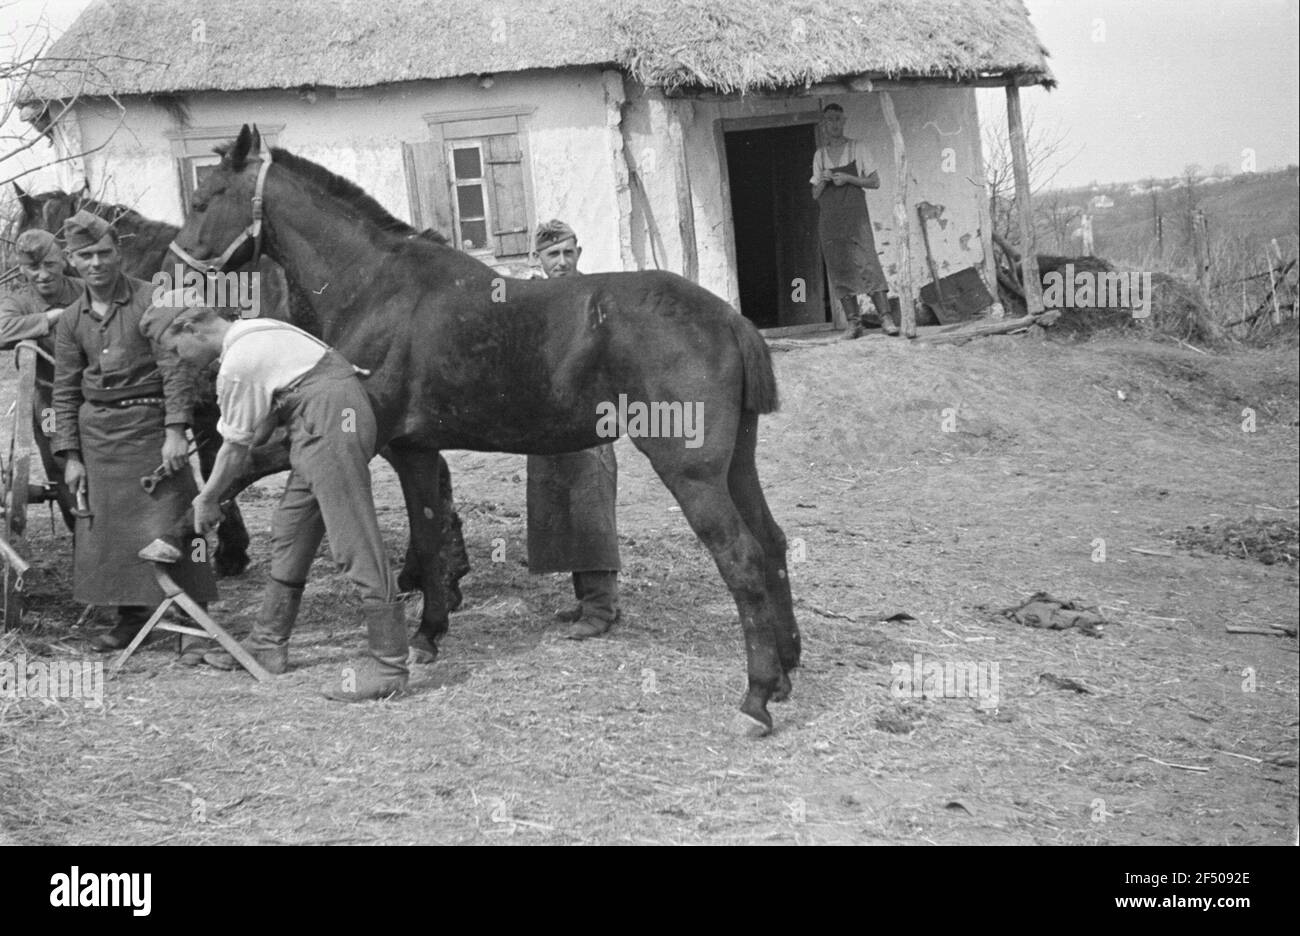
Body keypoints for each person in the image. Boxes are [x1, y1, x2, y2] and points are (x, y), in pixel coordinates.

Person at [156, 307, 408, 701]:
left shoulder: (238, 360)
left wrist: (207, 499)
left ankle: (389, 664)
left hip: (329, 419)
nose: (178, 360)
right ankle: (267, 643)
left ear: (191, 328)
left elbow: (235, 450)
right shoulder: (256, 331)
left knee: (353, 537)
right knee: (292, 527)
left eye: (175, 349)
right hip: (323, 417)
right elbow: (263, 419)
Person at [50, 211, 218, 660]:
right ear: (72, 261)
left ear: (119, 253)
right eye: (85, 256)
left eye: (104, 253)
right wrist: (70, 456)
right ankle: (131, 616)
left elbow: (176, 368)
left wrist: (176, 430)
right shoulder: (70, 319)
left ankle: (194, 620)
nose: (96, 263)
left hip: (151, 429)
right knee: (111, 530)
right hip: (99, 440)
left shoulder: (153, 300)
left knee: (181, 522)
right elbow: (64, 390)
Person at [527, 220, 622, 638]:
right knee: (560, 508)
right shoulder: (531, 300)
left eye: (568, 253)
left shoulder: (596, 299)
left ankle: (602, 609)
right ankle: (586, 600)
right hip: (546, 421)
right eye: (553, 255)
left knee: (591, 509)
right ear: (539, 260)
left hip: (589, 422)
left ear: (579, 253)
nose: (562, 262)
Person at [0, 229, 81, 526]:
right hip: (48, 403)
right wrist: (51, 317)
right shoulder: (18, 302)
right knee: (59, 460)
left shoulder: (85, 290)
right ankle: (81, 537)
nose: (43, 275)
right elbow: (1, 330)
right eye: (33, 268)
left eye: (49, 264)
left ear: (62, 260)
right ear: (22, 269)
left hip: (93, 396)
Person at [811, 102, 899, 339]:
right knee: (839, 267)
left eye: (838, 119)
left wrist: (849, 178)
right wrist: (824, 179)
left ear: (844, 121)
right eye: (829, 119)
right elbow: (814, 194)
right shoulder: (819, 155)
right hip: (830, 222)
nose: (834, 124)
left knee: (868, 263)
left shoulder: (857, 148)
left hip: (856, 218)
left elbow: (875, 181)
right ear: (824, 124)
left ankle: (886, 319)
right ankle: (854, 324)